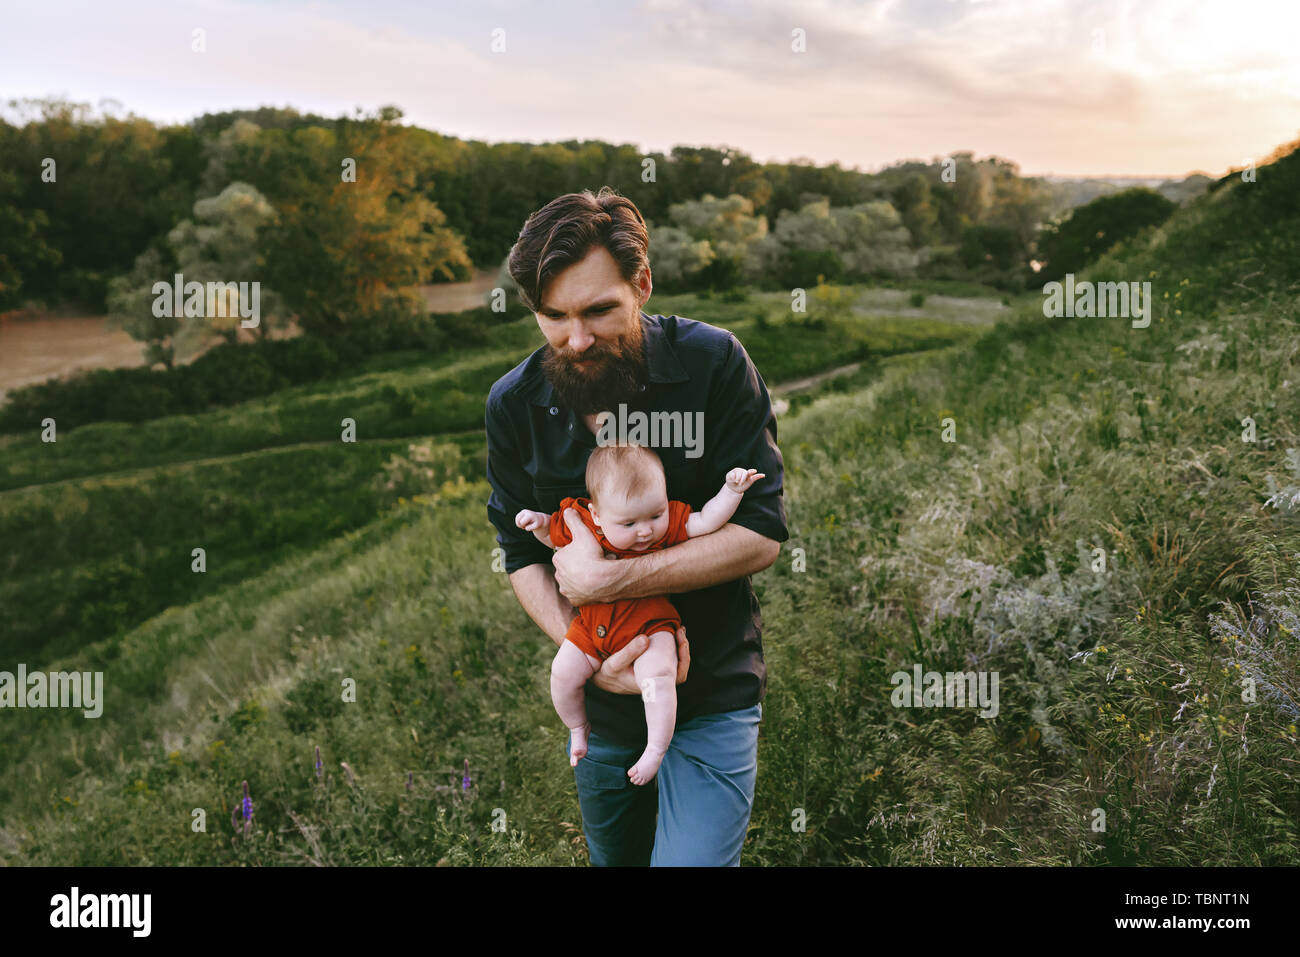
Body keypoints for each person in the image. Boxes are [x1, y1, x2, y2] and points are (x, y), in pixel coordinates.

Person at [485, 185, 788, 866]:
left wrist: (611, 576)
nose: (577, 338)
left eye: (598, 310)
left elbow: (762, 532)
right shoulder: (513, 405)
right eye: (553, 316)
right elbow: (519, 555)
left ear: (642, 283)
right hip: (600, 706)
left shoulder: (713, 364)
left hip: (713, 687)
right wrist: (594, 648)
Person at [515, 442, 765, 785]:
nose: (645, 530)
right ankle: (578, 726)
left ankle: (655, 748)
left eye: (655, 515)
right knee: (562, 673)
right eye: (629, 522)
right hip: (591, 627)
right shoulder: (583, 521)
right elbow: (554, 538)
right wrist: (539, 524)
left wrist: (731, 490)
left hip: (650, 625)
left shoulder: (665, 526)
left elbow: (706, 520)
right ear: (598, 514)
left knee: (659, 677)